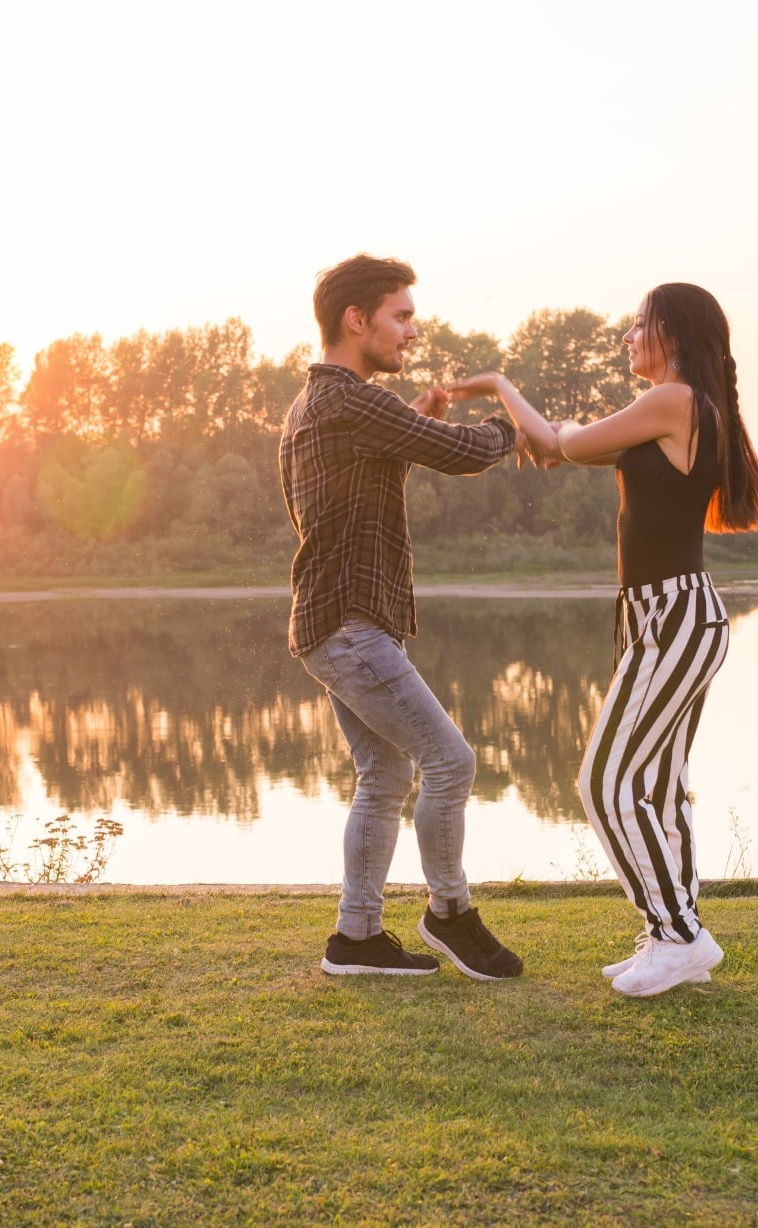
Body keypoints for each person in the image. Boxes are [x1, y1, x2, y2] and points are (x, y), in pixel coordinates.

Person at [447, 283, 758, 996]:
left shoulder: (676, 400)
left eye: (638, 326)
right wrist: (515, 400)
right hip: (663, 618)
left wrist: (503, 382)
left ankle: (680, 936)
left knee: (605, 781)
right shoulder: (679, 407)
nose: (626, 338)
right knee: (656, 790)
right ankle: (675, 931)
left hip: (674, 618)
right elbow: (556, 448)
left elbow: (562, 443)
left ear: (674, 336)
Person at [280, 254, 529, 981]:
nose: (412, 333)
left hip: (335, 623)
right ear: (357, 321)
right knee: (451, 762)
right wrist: (513, 413)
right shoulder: (348, 401)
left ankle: (355, 939)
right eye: (402, 316)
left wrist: (403, 432)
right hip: (350, 625)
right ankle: (450, 915)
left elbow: (337, 500)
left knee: (383, 774)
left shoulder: (314, 405)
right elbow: (467, 450)